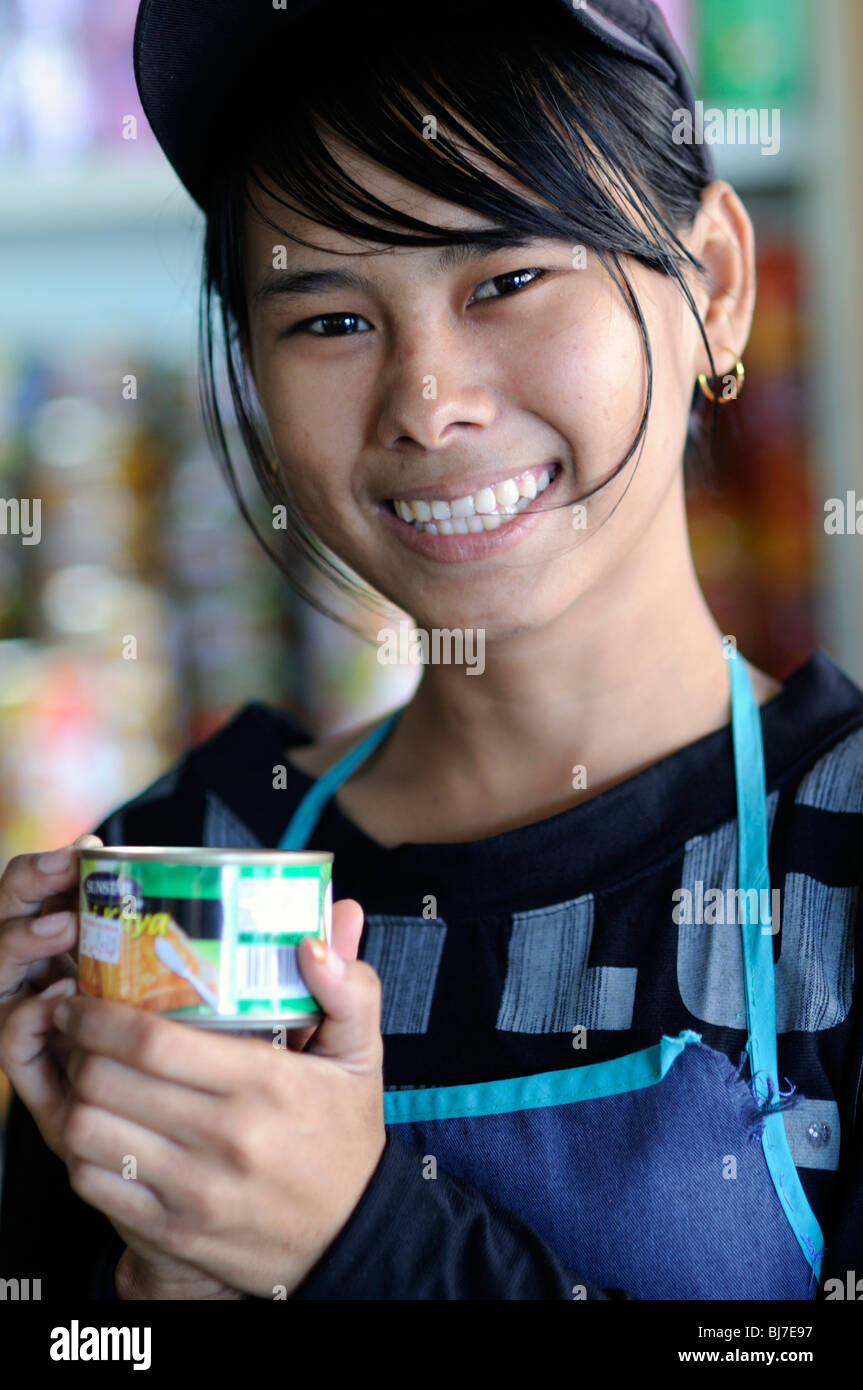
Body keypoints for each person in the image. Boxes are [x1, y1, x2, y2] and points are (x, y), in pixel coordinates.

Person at [0, 0, 861, 1300]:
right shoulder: (190, 862)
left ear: (716, 287)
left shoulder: (837, 853)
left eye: (508, 278)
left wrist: (361, 1243)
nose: (426, 399)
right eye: (329, 319)